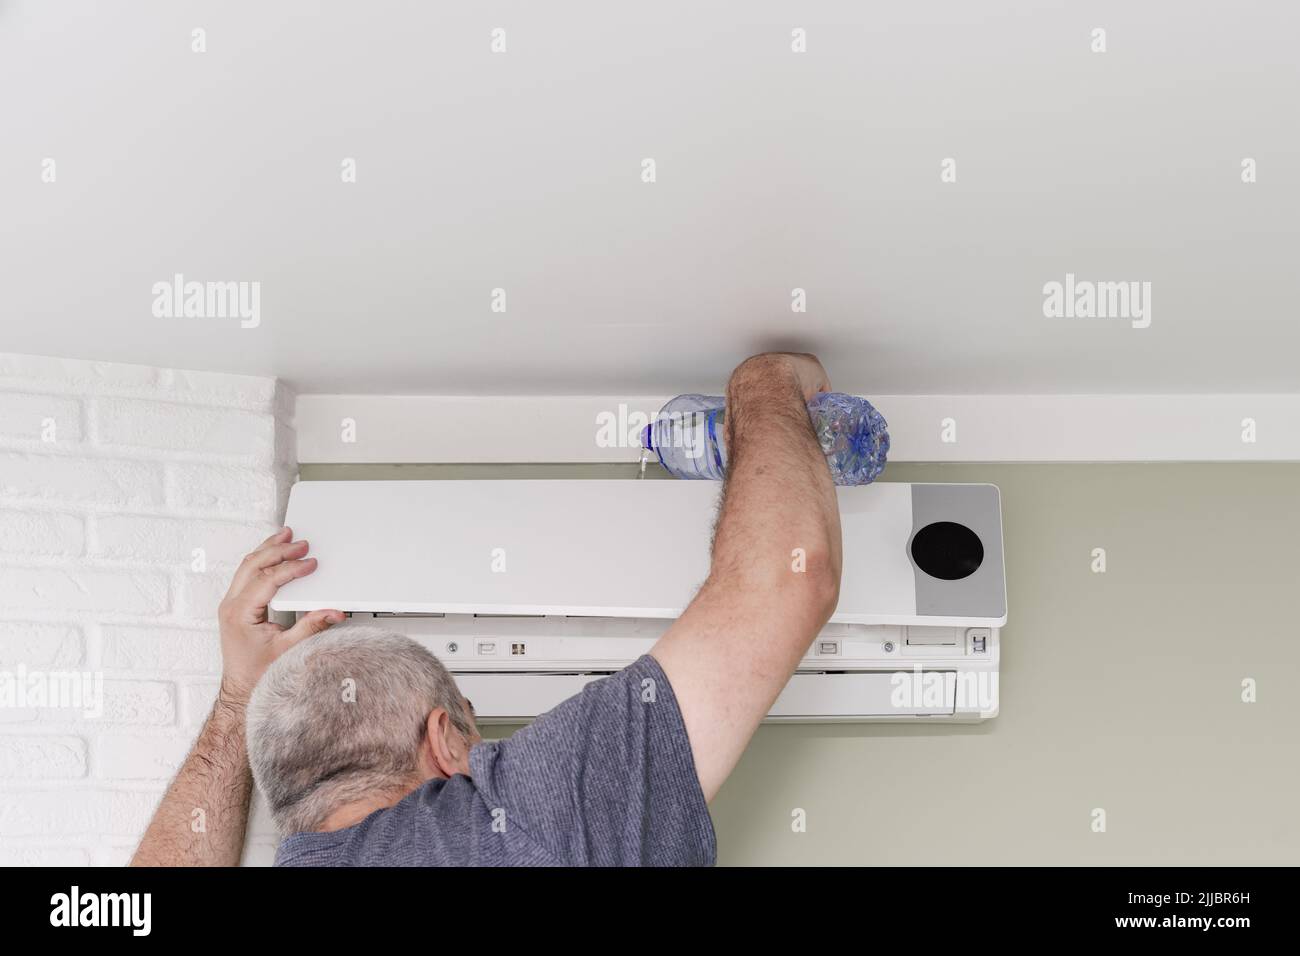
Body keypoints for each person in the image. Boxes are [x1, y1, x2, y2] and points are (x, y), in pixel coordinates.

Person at [130, 352, 843, 866]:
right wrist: (767, 383)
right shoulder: (519, 822)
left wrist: (234, 703)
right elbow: (789, 577)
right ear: (443, 739)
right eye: (472, 736)